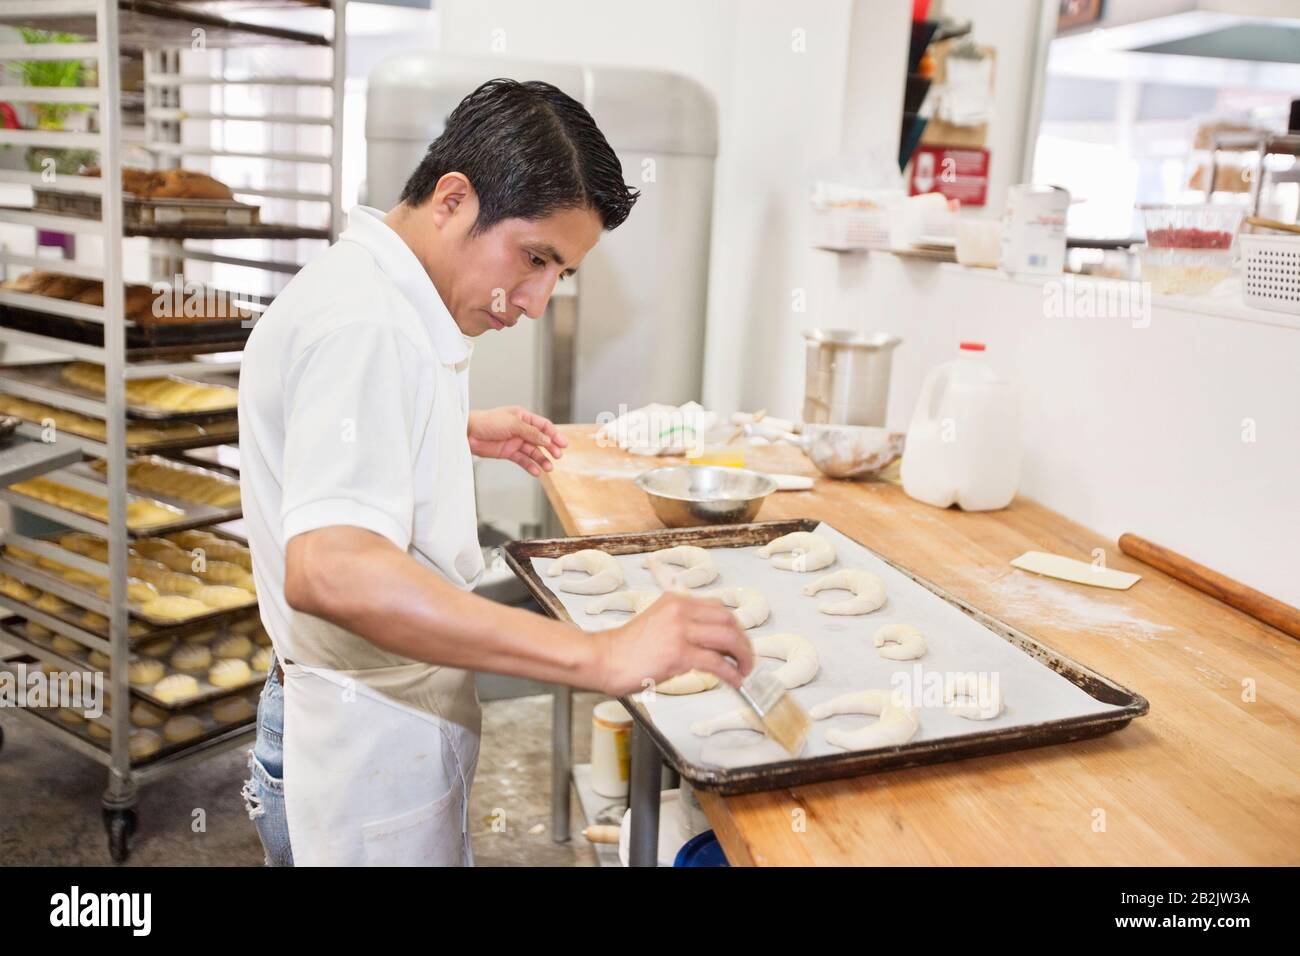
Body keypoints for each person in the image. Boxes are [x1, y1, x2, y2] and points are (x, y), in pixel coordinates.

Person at [236, 78, 754, 866]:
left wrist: (449, 428)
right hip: (354, 744)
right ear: (452, 199)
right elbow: (332, 570)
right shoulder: (368, 325)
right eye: (536, 257)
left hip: (369, 712)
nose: (538, 300)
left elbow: (331, 426)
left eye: (562, 274)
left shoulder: (378, 292)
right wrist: (601, 654)